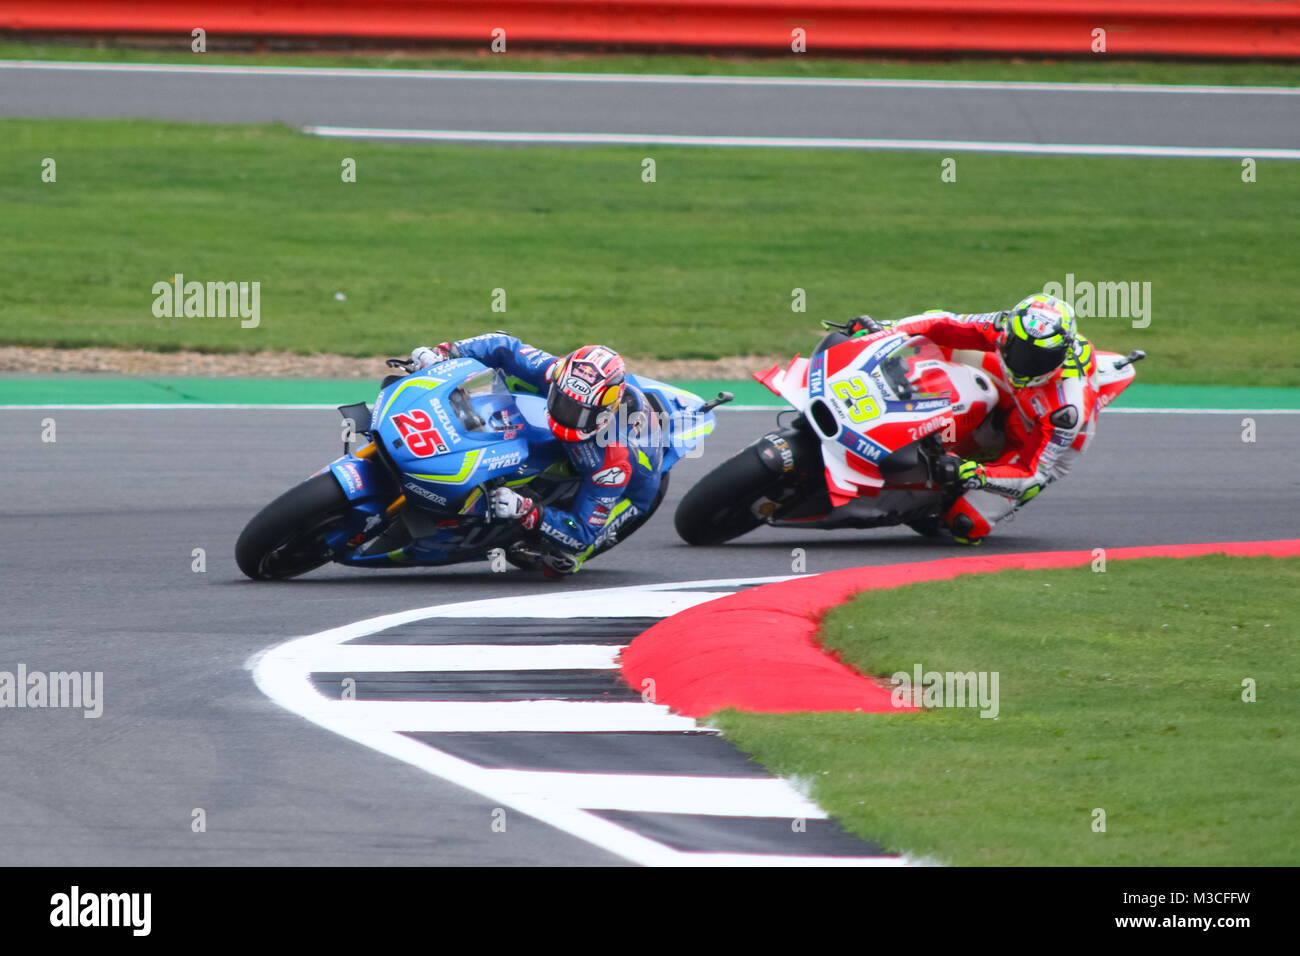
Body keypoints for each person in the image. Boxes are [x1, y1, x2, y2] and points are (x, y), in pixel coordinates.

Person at [848, 293, 1098, 544]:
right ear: (1009, 336)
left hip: (1036, 434)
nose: (1028, 365)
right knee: (937, 348)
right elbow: (941, 323)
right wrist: (884, 330)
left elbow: (1031, 473)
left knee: (965, 524)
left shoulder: (1066, 410)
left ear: (1061, 355)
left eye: (1040, 359)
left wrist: (972, 472)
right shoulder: (1004, 326)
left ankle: (945, 492)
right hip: (1013, 388)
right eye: (1021, 352)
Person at [408, 332, 664, 574]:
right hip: (565, 445)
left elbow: (583, 530)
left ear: (603, 415)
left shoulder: (613, 461)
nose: (566, 413)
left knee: (565, 558)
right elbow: (503, 345)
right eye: (562, 400)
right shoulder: (554, 372)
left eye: (579, 412)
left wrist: (528, 510)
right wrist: (446, 352)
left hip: (632, 492)